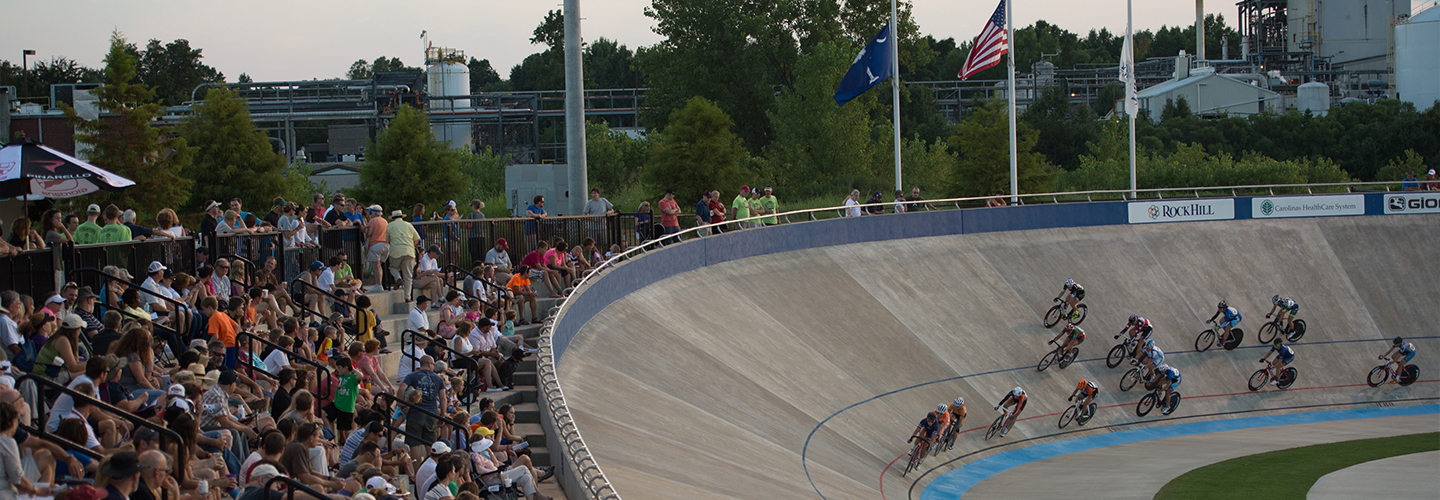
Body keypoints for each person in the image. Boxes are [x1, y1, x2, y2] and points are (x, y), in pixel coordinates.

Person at [386, 210, 422, 303]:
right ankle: (407, 297)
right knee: (408, 276)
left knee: (393, 267)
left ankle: (398, 278)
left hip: (396, 251)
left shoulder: (390, 225)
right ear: (402, 217)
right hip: (409, 251)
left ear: (393, 218)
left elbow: (387, 240)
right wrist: (412, 245)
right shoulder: (409, 225)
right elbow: (417, 238)